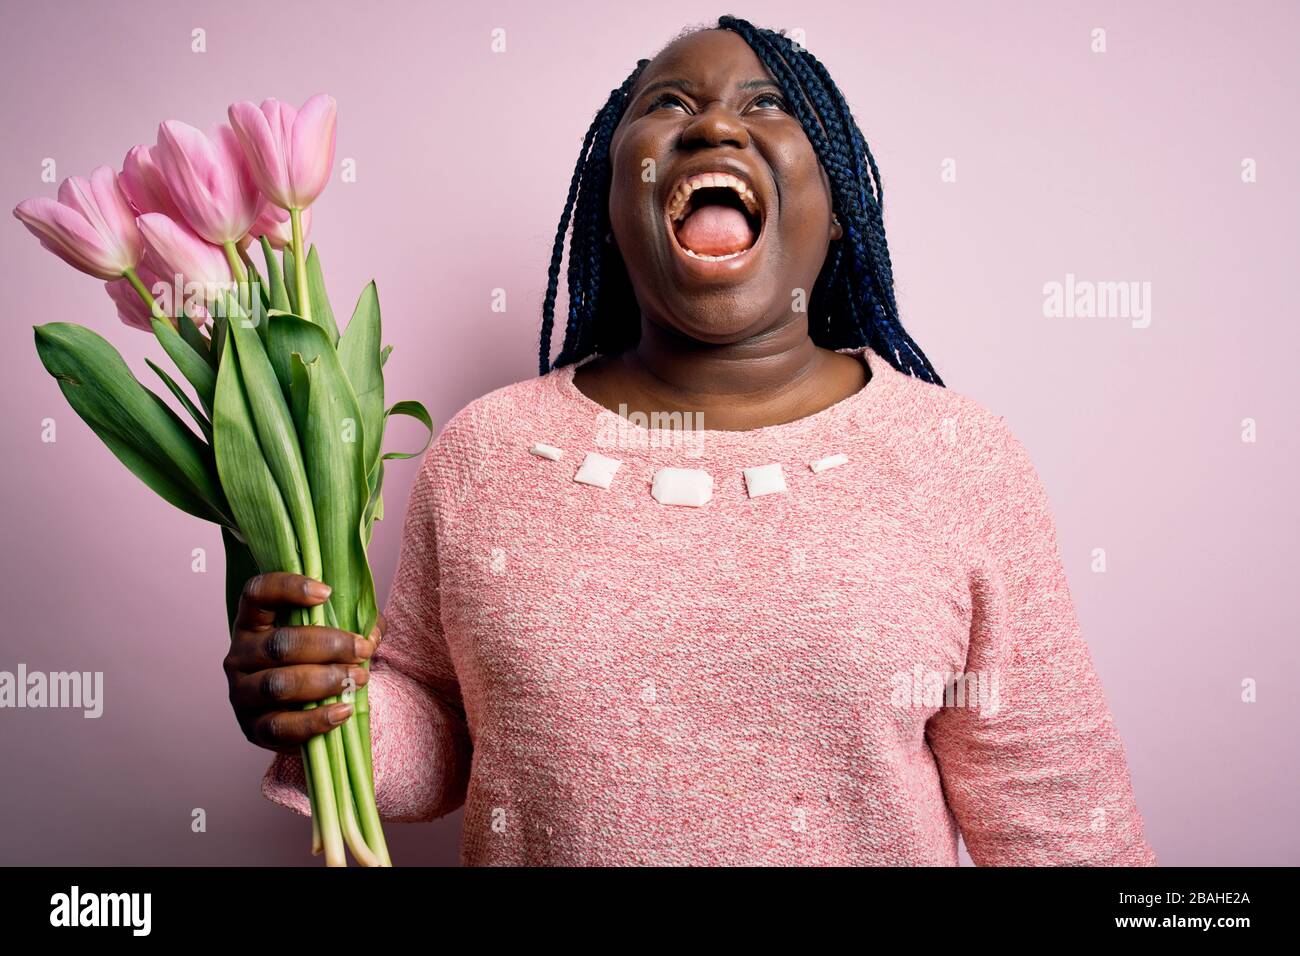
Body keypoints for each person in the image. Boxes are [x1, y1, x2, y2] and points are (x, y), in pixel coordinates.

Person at [225, 16, 1156, 866]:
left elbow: (1059, 820)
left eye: (768, 106)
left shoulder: (959, 458)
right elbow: (442, 743)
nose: (715, 127)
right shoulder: (487, 451)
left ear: (835, 209)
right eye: (669, 105)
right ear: (611, 202)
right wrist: (322, 702)